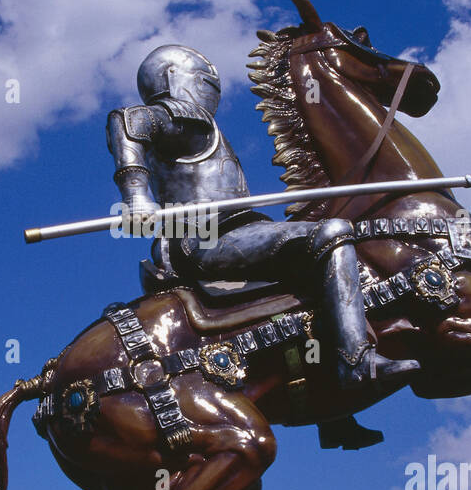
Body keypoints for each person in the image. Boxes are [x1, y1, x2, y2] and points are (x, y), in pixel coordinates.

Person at [106, 44, 420, 389]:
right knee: (331, 233)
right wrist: (135, 195)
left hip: (235, 231)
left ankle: (325, 392)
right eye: (205, 82)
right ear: (174, 78)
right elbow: (127, 120)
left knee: (308, 270)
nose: (212, 93)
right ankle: (355, 361)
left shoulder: (196, 132)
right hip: (210, 237)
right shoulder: (186, 119)